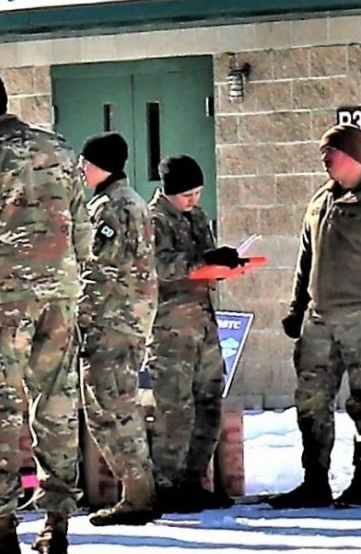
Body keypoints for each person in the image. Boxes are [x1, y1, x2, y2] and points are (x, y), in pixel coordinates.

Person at [0, 66, 92, 554]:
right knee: (57, 402)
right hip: (60, 292)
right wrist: (73, 274)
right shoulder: (60, 149)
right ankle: (57, 522)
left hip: (3, 297)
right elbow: (81, 223)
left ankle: (1, 524)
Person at [268, 124, 361, 509]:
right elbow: (306, 256)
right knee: (311, 401)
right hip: (319, 320)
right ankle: (315, 481)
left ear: (351, 156)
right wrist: (296, 306)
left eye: (330, 153)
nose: (324, 160)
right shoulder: (321, 200)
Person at [146, 154, 240, 513]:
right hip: (170, 329)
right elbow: (158, 266)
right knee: (175, 410)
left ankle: (193, 481)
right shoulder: (153, 220)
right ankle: (166, 486)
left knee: (208, 404)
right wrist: (204, 262)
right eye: (187, 194)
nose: (193, 200)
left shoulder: (198, 217)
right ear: (169, 191)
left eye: (198, 193)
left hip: (203, 323)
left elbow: (205, 259)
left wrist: (224, 263)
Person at [76, 132, 160, 526]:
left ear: (102, 165)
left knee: (110, 407)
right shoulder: (132, 202)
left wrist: (78, 319)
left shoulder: (110, 208)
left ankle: (138, 496)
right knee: (118, 403)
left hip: (110, 323)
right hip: (127, 320)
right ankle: (138, 492)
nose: (81, 168)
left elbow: (100, 272)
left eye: (86, 162)